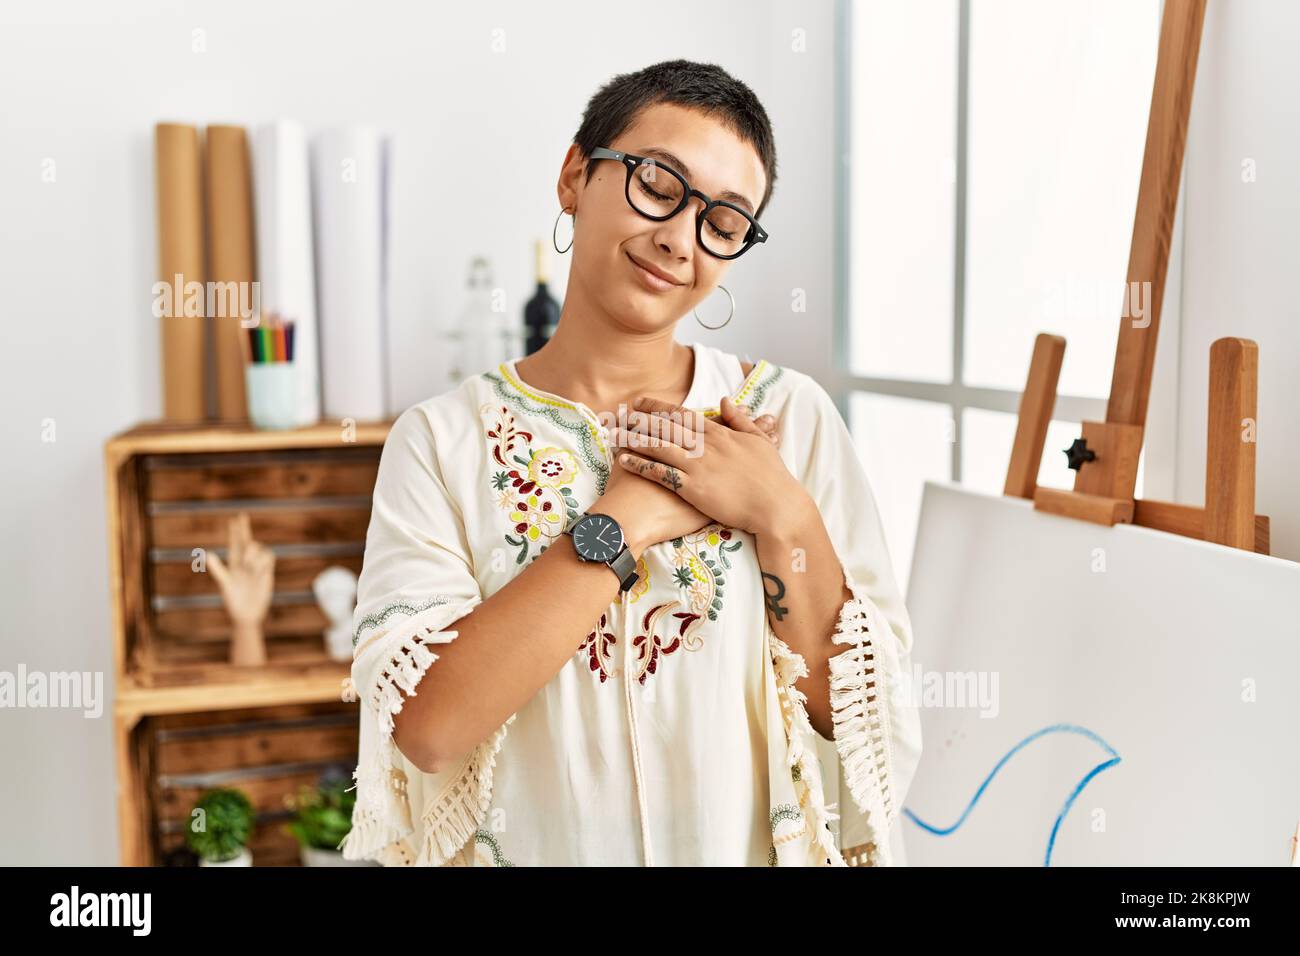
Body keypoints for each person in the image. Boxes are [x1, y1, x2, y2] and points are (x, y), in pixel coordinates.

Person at [342, 59, 921, 866]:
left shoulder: (789, 420)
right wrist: (626, 518)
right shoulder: (441, 440)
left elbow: (863, 724)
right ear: (575, 175)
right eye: (659, 183)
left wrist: (779, 511)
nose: (679, 238)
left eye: (722, 223)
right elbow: (433, 728)